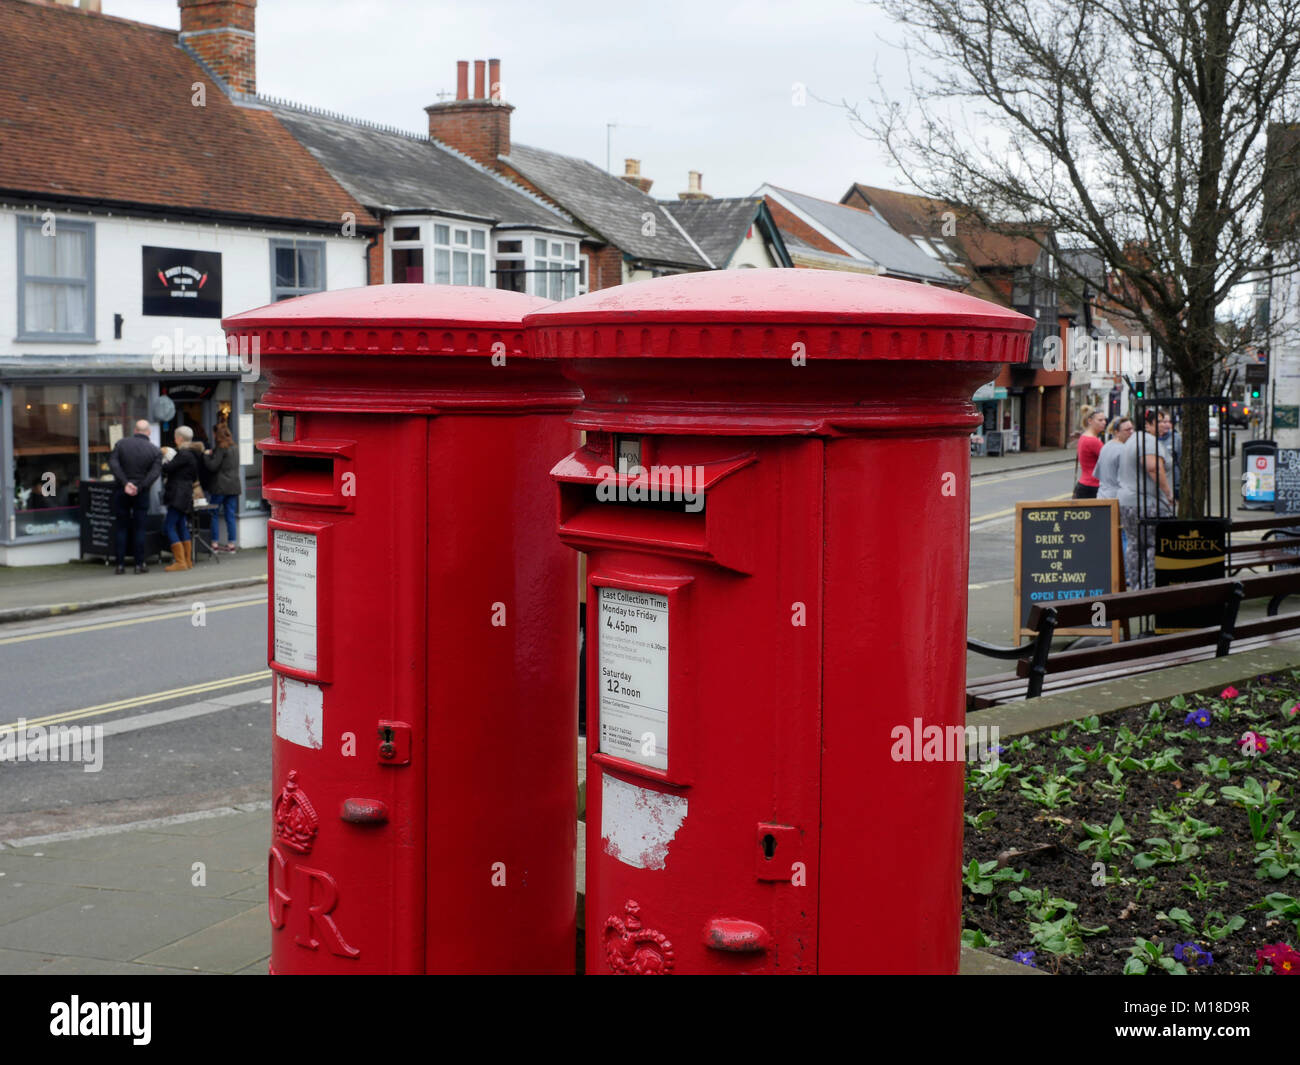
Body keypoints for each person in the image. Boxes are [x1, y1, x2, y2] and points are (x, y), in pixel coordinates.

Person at [1117, 409, 1173, 590]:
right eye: (1159, 421)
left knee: (1135, 545)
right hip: (1146, 503)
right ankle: (1146, 591)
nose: (1164, 424)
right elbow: (1154, 468)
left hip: (1127, 503)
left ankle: (1135, 588)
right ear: (1147, 424)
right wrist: (1168, 493)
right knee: (1152, 546)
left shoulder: (1131, 440)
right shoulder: (1147, 441)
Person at [107, 419, 161, 575]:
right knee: (140, 529)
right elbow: (154, 474)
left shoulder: (121, 444)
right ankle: (139, 564)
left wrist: (125, 483)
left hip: (122, 491)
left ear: (135, 430)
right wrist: (140, 486)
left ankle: (120, 565)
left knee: (121, 528)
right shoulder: (154, 451)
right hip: (141, 493)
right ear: (148, 432)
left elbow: (113, 463)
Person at [160, 425, 199, 571]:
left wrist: (163, 459)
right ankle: (187, 561)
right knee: (182, 525)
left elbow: (167, 469)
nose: (174, 440)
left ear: (180, 439)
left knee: (169, 526)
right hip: (185, 494)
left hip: (177, 494)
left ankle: (180, 562)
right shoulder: (193, 454)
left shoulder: (183, 454)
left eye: (175, 437)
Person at [203, 424, 240, 552]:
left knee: (213, 513)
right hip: (234, 486)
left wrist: (206, 455)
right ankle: (231, 545)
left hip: (221, 486)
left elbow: (213, 466)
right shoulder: (235, 447)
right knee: (230, 515)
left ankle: (214, 544)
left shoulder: (221, 448)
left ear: (217, 435)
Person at [1095, 416, 1134, 500]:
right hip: (1117, 500)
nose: (1131, 432)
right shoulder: (1124, 450)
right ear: (1117, 432)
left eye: (1132, 429)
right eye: (1127, 430)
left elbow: (1098, 474)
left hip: (1102, 497)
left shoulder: (1105, 446)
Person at [1073, 405, 1107, 498]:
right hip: (1093, 486)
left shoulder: (1083, 437)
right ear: (1090, 421)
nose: (1104, 422)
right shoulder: (1093, 441)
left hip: (1084, 484)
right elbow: (1109, 460)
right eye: (1100, 420)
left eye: (1104, 419)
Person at [1157, 409, 1182, 501]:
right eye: (1164, 422)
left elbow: (1180, 459)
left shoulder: (1176, 438)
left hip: (1173, 480)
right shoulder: (1151, 439)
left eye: (1169, 422)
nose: (1167, 424)